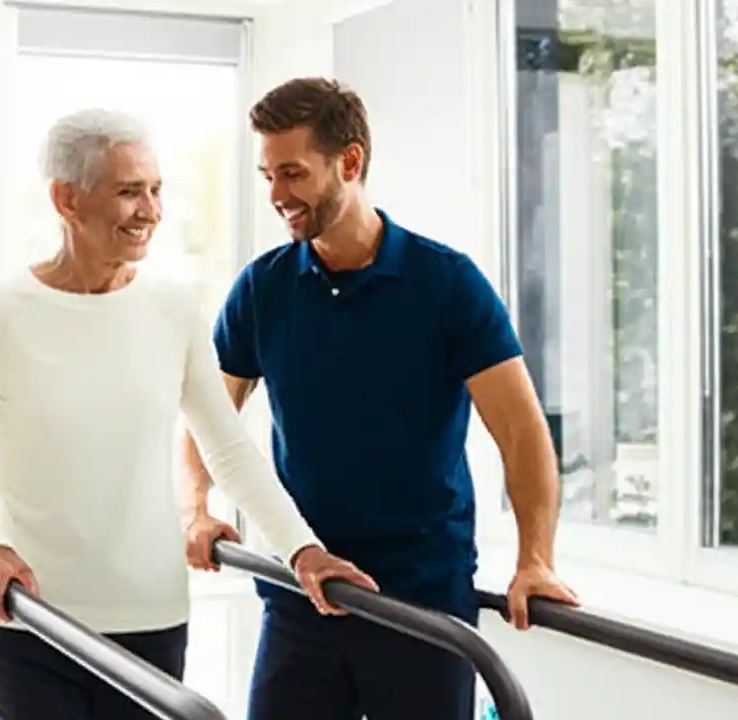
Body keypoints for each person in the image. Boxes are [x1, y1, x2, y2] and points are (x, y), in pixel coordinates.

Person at [0, 107, 376, 720]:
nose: (151, 211)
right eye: (129, 192)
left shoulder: (173, 307)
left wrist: (302, 550)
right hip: (29, 621)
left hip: (150, 620)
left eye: (157, 190)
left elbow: (229, 449)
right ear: (66, 198)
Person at [180, 78, 580, 720]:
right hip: (299, 593)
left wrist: (536, 559)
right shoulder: (263, 288)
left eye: (292, 172)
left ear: (351, 161)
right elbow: (207, 415)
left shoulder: (447, 284)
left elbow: (520, 431)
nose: (277, 195)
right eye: (267, 176)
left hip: (420, 605)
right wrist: (195, 509)